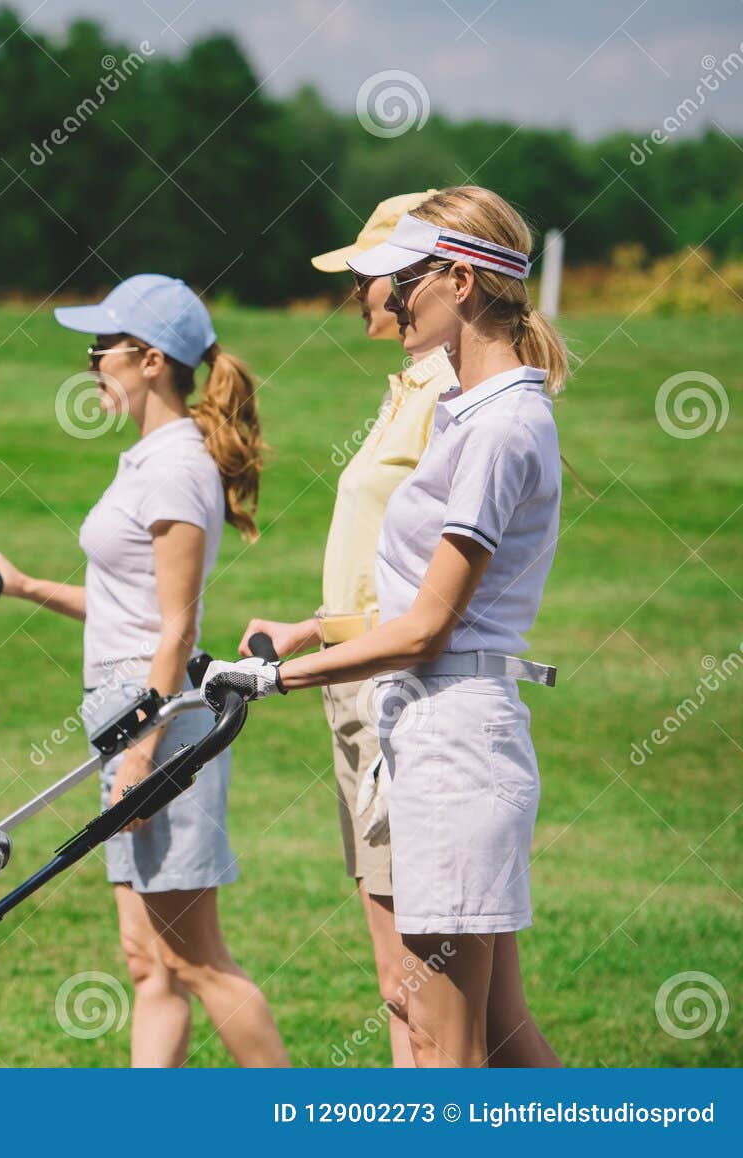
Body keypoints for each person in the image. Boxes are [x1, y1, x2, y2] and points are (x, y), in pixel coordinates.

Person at [202, 187, 565, 1068]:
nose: (387, 299)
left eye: (404, 280)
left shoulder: (499, 426)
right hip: (436, 736)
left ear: (463, 280)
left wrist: (271, 677)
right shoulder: (468, 412)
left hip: (454, 744)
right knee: (482, 1037)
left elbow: (425, 630)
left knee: (446, 1047)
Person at [0, 274, 287, 1067]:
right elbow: (133, 605)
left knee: (196, 959)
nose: (90, 366)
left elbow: (176, 628)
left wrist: (141, 750)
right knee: (148, 961)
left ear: (150, 361)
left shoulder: (177, 467)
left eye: (100, 349)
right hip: (128, 710)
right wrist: (29, 586)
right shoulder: (148, 458)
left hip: (158, 722)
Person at [238, 189, 448, 1067]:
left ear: (417, 280)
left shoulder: (451, 394)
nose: (359, 296)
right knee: (399, 982)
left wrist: (311, 659)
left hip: (392, 688)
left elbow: (441, 584)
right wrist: (307, 627)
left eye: (366, 277)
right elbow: (388, 558)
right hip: (350, 671)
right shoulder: (409, 388)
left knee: (422, 989)